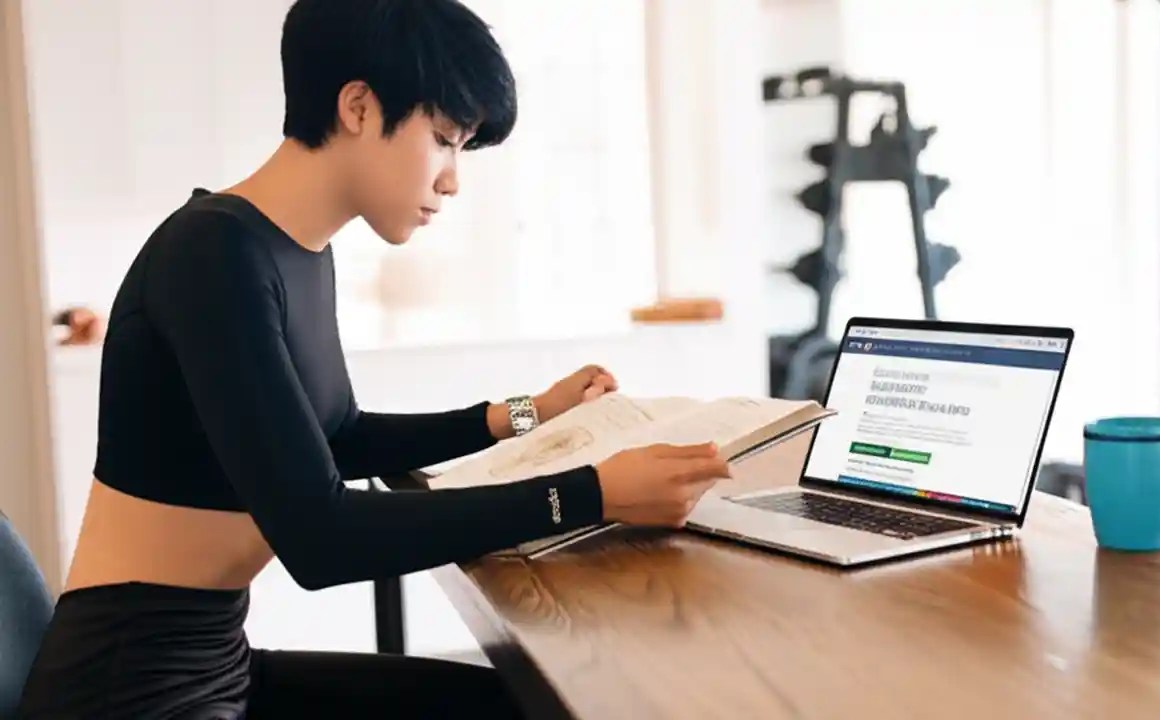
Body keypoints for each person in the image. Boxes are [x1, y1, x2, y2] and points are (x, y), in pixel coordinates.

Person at [15, 1, 730, 717]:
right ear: (357, 105)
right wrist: (591, 492)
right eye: (445, 139)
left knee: (524, 705)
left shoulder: (293, 253)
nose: (452, 180)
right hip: (126, 690)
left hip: (215, 662)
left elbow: (340, 436)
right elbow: (321, 539)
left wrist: (525, 415)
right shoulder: (212, 256)